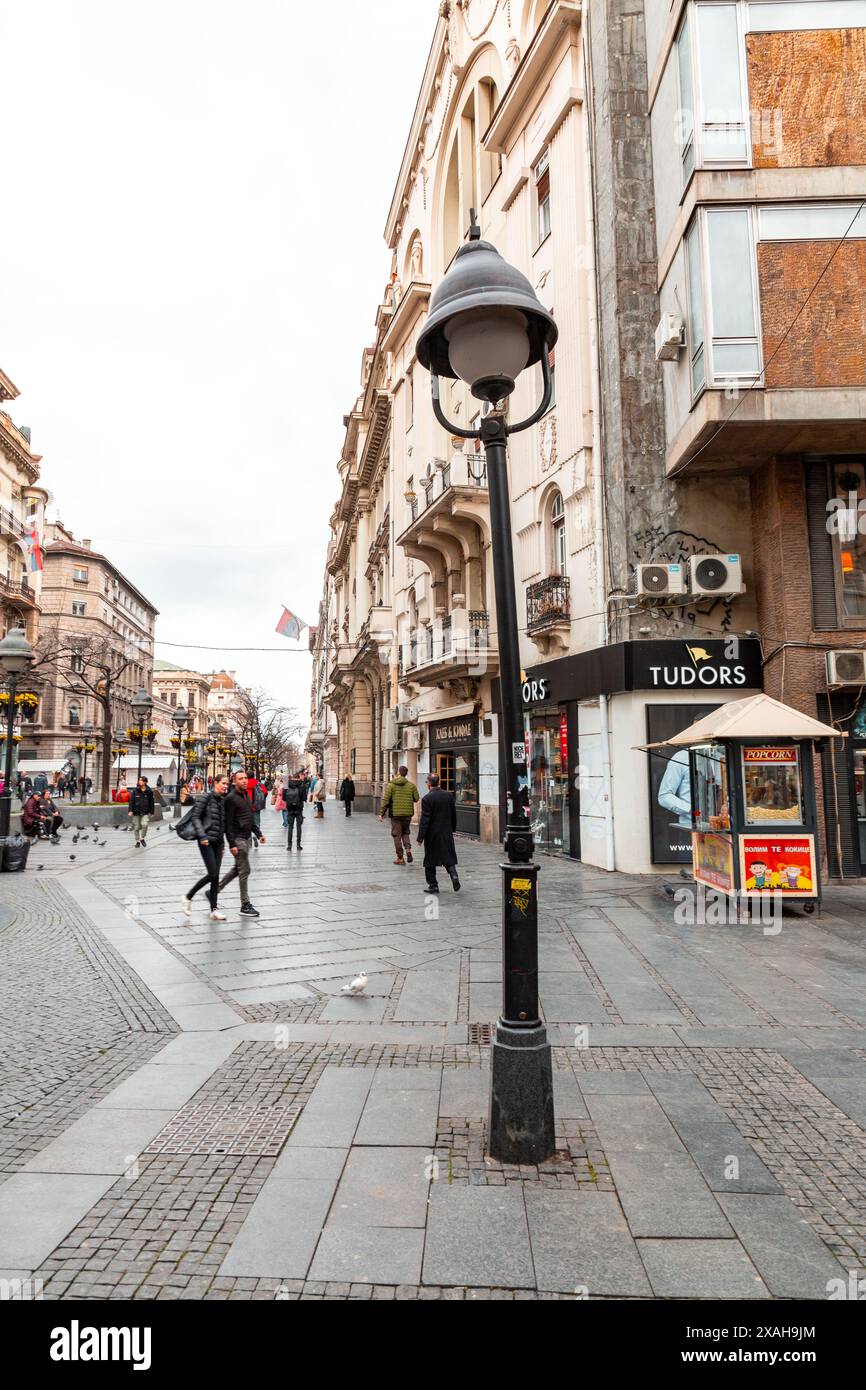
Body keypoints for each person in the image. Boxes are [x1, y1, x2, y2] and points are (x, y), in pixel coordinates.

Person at [180, 773, 229, 921]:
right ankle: (188, 897)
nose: (226, 786)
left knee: (216, 877)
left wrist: (223, 842)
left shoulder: (222, 801)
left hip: (218, 842)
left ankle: (214, 909)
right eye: (223, 783)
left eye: (227, 784)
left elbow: (222, 823)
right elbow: (195, 817)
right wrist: (202, 836)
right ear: (215, 783)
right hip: (206, 840)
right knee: (212, 874)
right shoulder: (205, 798)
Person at [218, 769, 265, 917]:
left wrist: (258, 834)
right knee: (244, 870)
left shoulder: (245, 795)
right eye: (240, 779)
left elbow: (249, 817)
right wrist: (231, 844)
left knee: (238, 869)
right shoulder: (230, 799)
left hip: (245, 837)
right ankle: (245, 905)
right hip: (238, 839)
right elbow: (228, 824)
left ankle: (214, 890)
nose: (244, 780)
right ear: (234, 781)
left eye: (245, 778)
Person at [417, 772, 460, 893]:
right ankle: (454, 875)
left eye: (426, 782)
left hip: (432, 834)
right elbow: (453, 814)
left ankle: (433, 885)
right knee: (448, 856)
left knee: (430, 859)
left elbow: (425, 819)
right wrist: (452, 829)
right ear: (438, 782)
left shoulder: (427, 798)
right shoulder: (448, 796)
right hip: (446, 831)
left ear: (429, 783)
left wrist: (420, 837)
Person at [380, 766, 420, 865]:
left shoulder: (391, 785)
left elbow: (386, 800)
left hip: (395, 814)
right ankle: (408, 849)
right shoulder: (411, 785)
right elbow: (416, 798)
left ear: (398, 772)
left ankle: (400, 857)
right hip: (407, 814)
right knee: (405, 833)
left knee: (396, 834)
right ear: (406, 774)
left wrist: (382, 813)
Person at [129, 775, 155, 847]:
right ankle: (137, 841)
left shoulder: (149, 791)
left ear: (145, 782)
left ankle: (142, 838)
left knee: (145, 824)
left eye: (141, 780)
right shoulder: (135, 791)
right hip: (136, 812)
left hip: (145, 812)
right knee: (136, 827)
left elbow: (151, 802)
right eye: (139, 780)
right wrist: (130, 810)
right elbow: (131, 801)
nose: (139, 781)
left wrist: (152, 812)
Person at [284, 770, 306, 850]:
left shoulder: (286, 784)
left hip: (290, 808)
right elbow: (304, 798)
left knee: (290, 827)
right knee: (299, 827)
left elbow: (283, 798)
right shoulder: (302, 785)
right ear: (298, 777)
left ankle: (289, 846)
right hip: (299, 808)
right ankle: (298, 845)